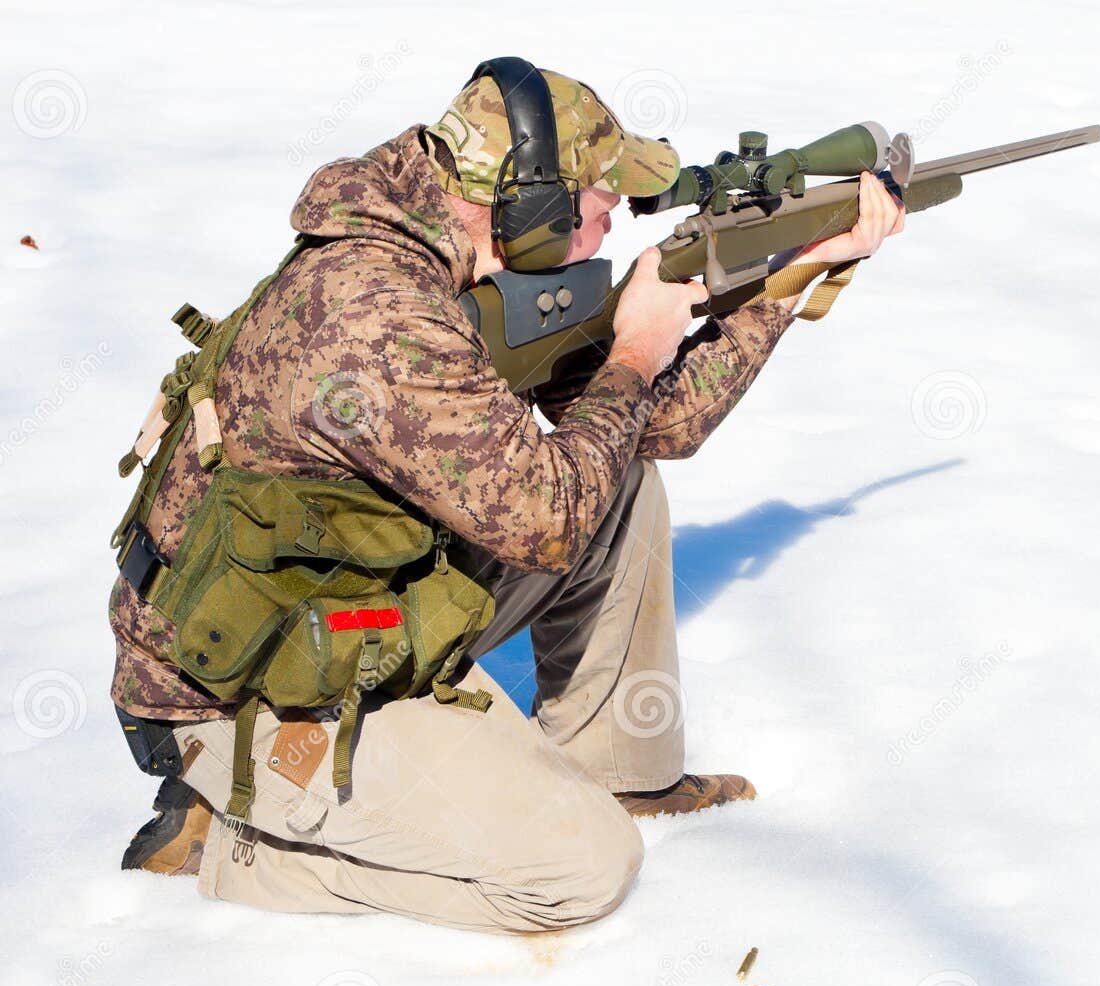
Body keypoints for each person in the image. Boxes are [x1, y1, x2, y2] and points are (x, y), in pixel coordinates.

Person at [109, 61, 903, 933]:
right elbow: (549, 520)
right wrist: (634, 351)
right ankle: (231, 832)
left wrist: (788, 278)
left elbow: (650, 430)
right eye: (599, 209)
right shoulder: (380, 318)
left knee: (617, 472)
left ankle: (618, 762)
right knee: (583, 868)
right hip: (240, 685)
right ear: (525, 209)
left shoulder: (432, 251)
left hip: (330, 603)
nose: (608, 235)